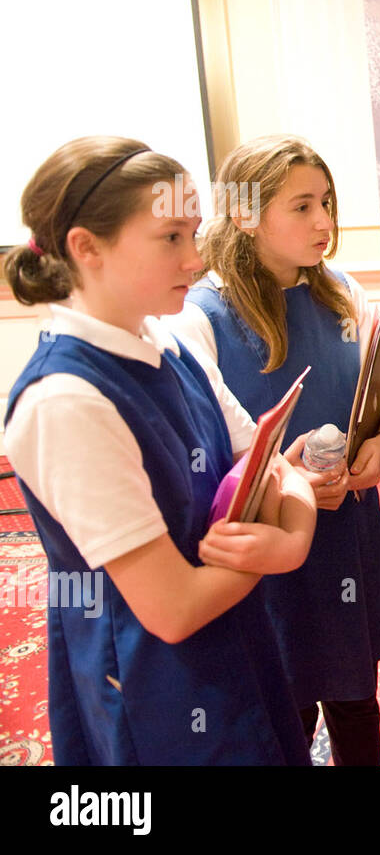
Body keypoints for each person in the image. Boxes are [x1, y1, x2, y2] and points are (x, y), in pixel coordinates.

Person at [4, 136, 317, 765]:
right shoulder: (66, 401)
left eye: (196, 233)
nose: (197, 259)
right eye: (172, 237)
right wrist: (278, 551)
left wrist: (295, 532)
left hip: (233, 636)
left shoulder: (172, 344)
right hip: (154, 686)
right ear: (85, 247)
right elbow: (172, 609)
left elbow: (273, 463)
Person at [167, 135, 380, 766]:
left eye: (327, 202)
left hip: (343, 533)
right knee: (283, 710)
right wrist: (286, 479)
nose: (325, 221)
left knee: (356, 699)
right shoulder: (200, 318)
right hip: (266, 548)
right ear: (246, 214)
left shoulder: (341, 293)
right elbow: (199, 454)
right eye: (302, 206)